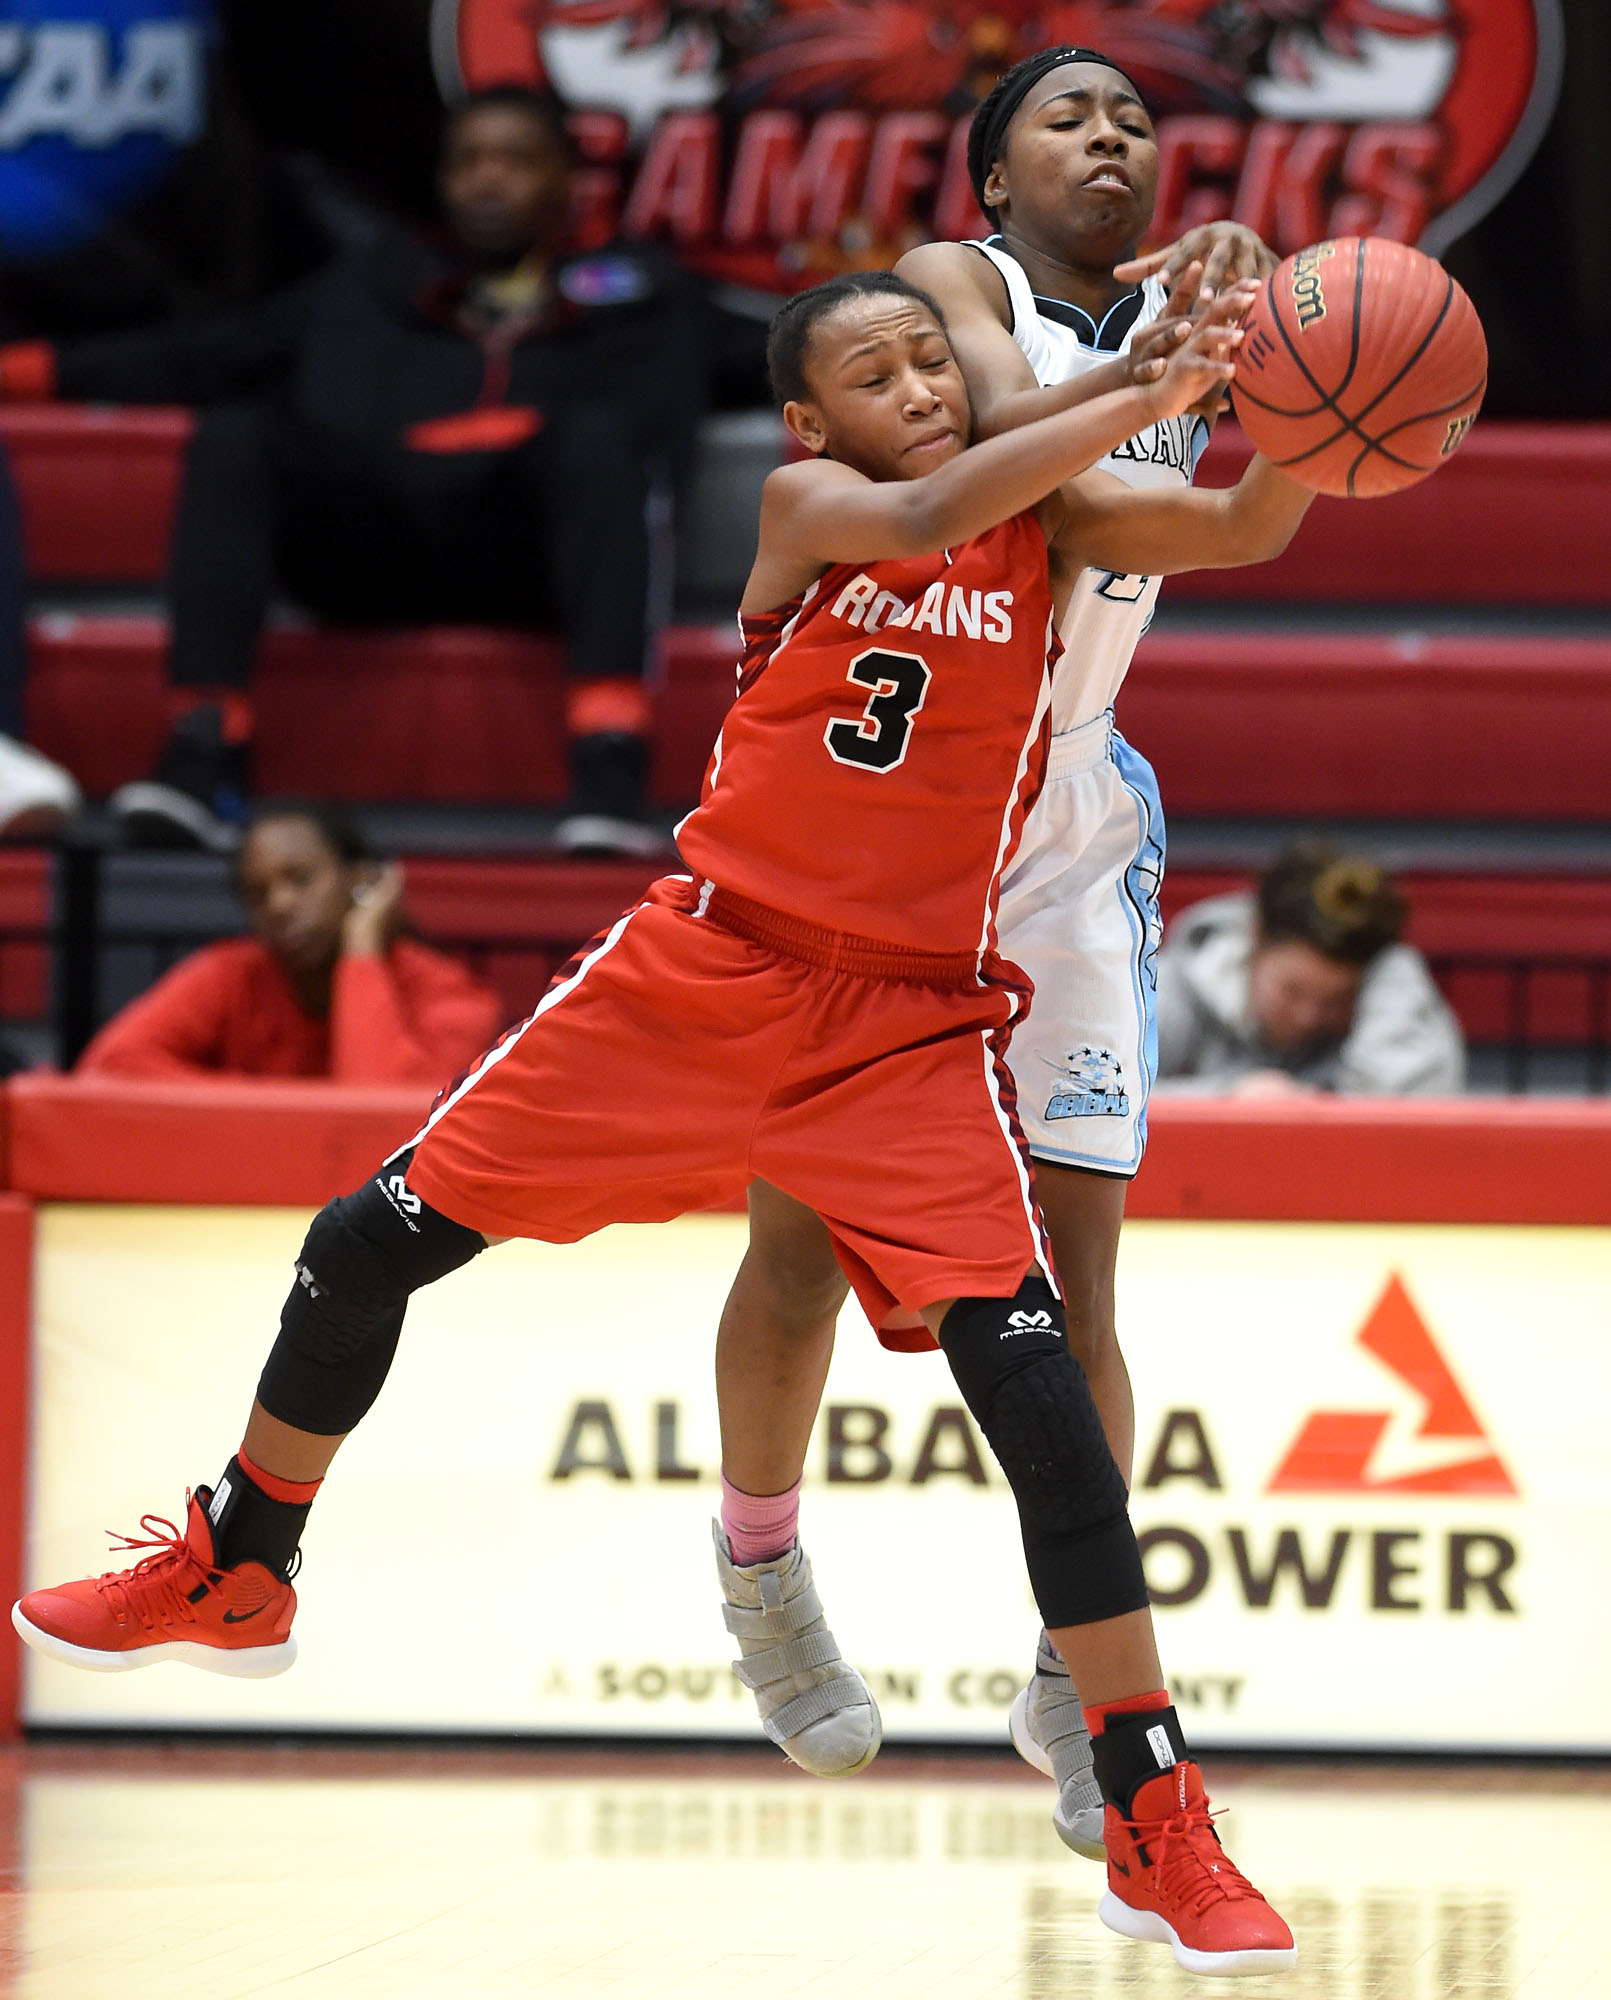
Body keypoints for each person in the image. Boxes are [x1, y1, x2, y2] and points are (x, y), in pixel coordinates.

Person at [14, 269, 1305, 1974]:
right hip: (707, 972)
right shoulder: (822, 505)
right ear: (805, 422)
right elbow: (929, 497)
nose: (919, 385)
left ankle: (1149, 1805)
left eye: (935, 361)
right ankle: (243, 1560)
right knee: (362, 1245)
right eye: (876, 370)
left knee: (1038, 1388)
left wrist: (1317, 437)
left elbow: (1230, 532)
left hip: (906, 1025)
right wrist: (1139, 383)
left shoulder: (1048, 510)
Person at [707, 44, 1278, 1860]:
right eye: (1066, 116)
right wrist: (1195, 335)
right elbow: (1032, 444)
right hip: (892, 840)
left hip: (1067, 835)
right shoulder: (961, 306)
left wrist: (1343, 417)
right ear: (990, 178)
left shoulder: (1193, 326)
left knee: (1075, 1288)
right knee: (798, 1252)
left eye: (1132, 117)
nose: (1108, 136)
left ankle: (1070, 1642)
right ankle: (761, 1564)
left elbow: (1214, 519)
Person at [0, 87, 705, 857]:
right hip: (377, 549)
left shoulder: (642, 294)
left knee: (603, 445)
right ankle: (203, 752)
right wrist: (26, 371)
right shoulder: (378, 283)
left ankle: (609, 764)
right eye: (467, 160)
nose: (486, 180)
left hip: (527, 563)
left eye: (513, 160)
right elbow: (209, 354)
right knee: (235, 434)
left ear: (568, 183)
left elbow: (693, 418)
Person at [76, 808, 502, 1084]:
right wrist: (270, 1103)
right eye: (258, 892)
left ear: (360, 881)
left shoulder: (454, 997)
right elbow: (110, 1065)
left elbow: (380, 1117)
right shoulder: (229, 972)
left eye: (300, 879)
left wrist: (361, 952)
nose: (278, 905)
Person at [1155, 841, 1466, 1095]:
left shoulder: (1384, 991)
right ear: (1254, 939)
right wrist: (1227, 1098)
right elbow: (1112, 1107)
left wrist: (1394, 969)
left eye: (1336, 1001)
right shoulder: (1169, 987)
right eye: (1292, 991)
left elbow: (1413, 1127)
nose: (1308, 1017)